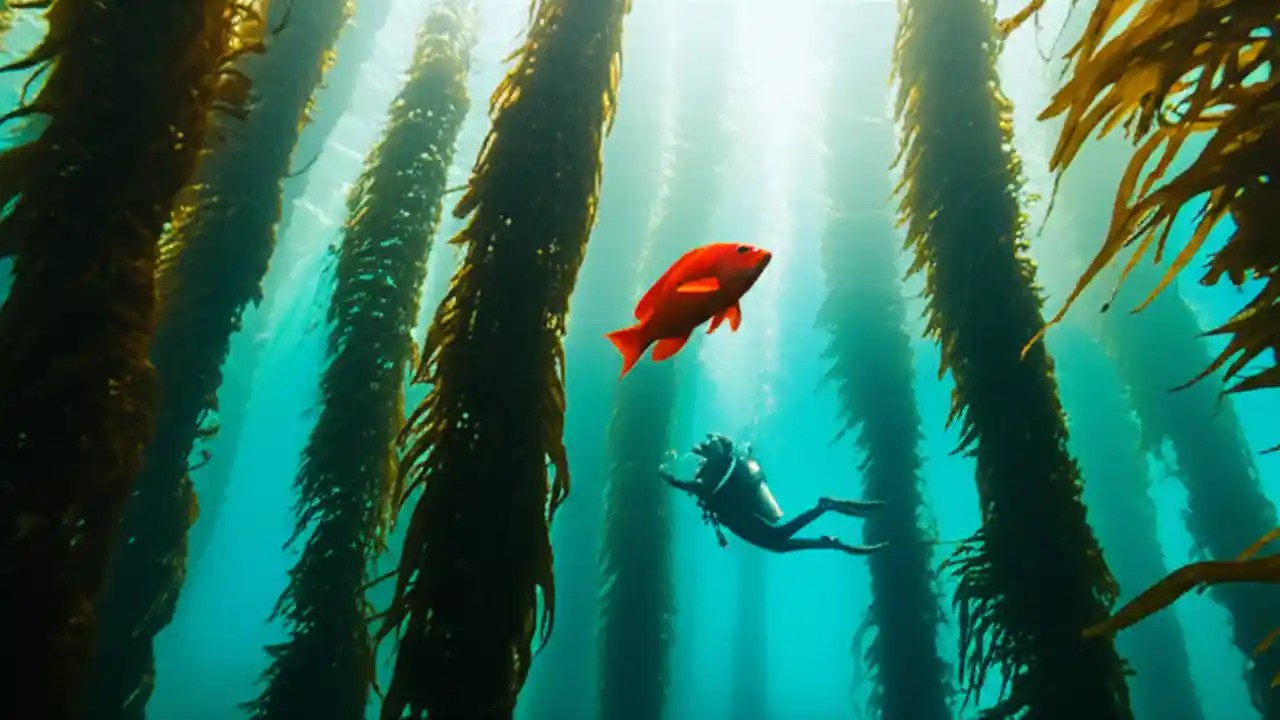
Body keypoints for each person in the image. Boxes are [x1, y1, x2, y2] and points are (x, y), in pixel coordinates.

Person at [660, 433, 887, 555]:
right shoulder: (715, 473)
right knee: (778, 543)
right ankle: (828, 533)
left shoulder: (706, 481)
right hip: (742, 518)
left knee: (778, 541)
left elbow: (684, 485)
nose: (698, 467)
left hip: (742, 520)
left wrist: (667, 477)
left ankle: (825, 515)